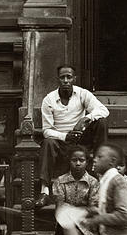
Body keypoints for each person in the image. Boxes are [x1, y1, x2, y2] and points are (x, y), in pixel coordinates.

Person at [37, 64, 110, 207]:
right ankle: (44, 191)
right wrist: (65, 136)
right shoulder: (49, 100)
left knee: (101, 122)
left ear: (74, 79)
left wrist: (85, 119)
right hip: (62, 142)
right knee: (47, 142)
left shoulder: (82, 94)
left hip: (81, 139)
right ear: (58, 79)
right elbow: (46, 130)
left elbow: (103, 110)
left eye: (69, 77)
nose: (65, 81)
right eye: (62, 77)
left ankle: (101, 169)